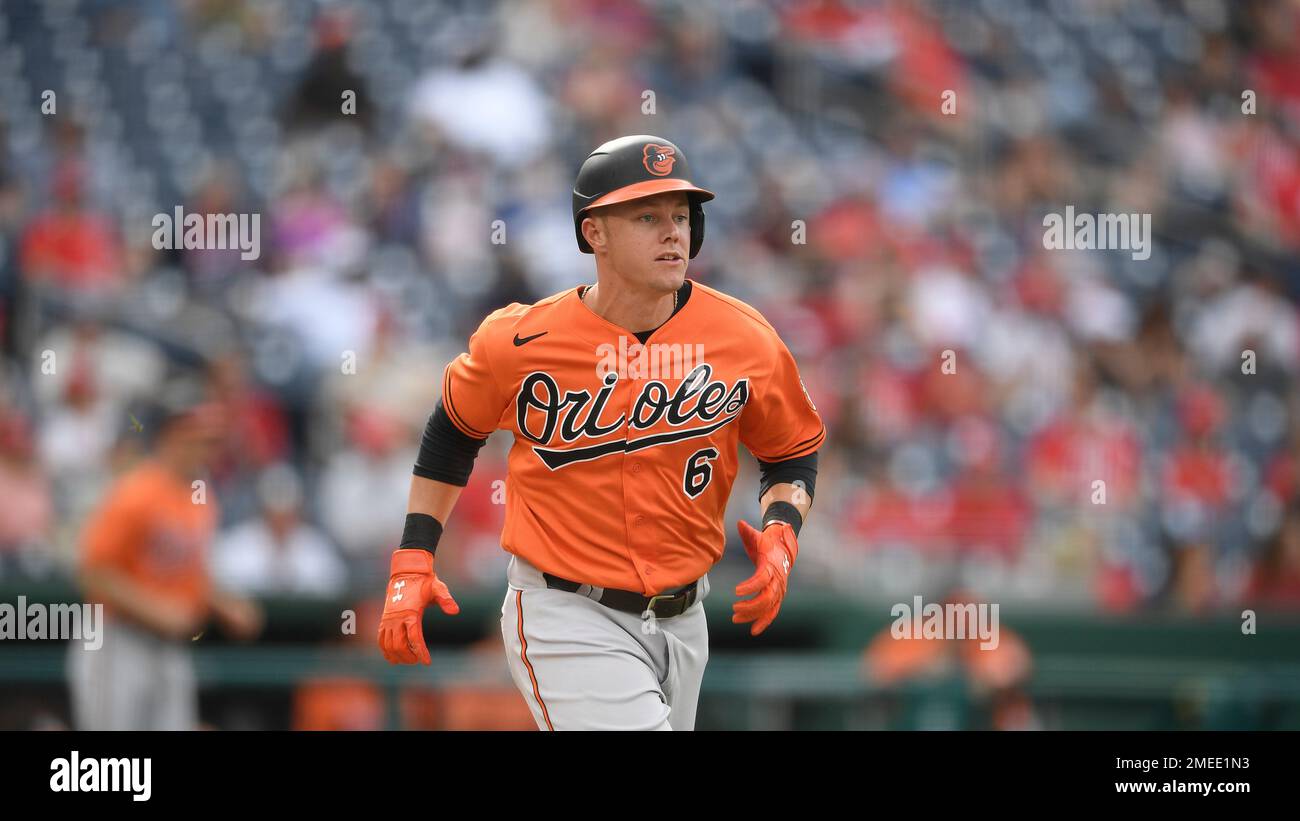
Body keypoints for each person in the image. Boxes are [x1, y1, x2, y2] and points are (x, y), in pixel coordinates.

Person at [376, 135, 826, 730]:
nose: (673, 232)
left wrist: (783, 531)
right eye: (647, 216)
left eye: (681, 216)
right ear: (595, 233)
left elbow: (792, 451)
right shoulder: (520, 340)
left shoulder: (745, 338)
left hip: (687, 619)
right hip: (565, 611)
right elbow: (453, 434)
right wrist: (414, 557)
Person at [68, 377, 263, 731]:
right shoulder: (136, 492)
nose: (209, 448)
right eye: (200, 438)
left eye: (212, 440)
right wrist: (156, 609)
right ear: (173, 434)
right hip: (118, 640)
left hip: (170, 648)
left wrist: (223, 603)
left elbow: (188, 571)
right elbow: (92, 571)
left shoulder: (201, 497)